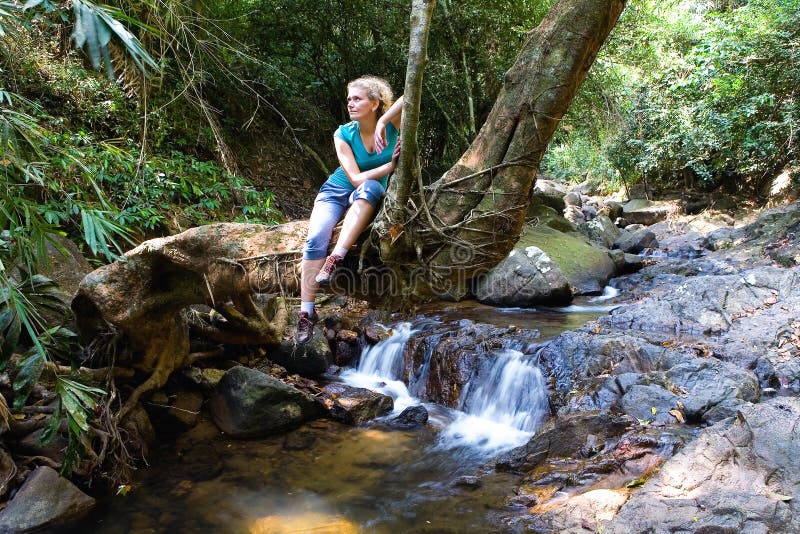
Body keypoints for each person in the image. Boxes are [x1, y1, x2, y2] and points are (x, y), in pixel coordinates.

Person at [296, 76, 403, 344]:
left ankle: (336, 258)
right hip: (335, 190)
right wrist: (391, 166)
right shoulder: (343, 133)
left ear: (376, 103)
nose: (350, 104)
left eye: (357, 99)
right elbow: (355, 178)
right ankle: (306, 312)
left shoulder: (392, 125)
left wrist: (381, 121)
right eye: (348, 99)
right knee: (315, 239)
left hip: (369, 192)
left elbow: (411, 97)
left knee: (370, 190)